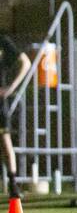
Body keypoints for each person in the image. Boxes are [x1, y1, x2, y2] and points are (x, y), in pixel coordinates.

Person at [0, 33, 32, 198]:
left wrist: (11, 87)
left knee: (5, 141)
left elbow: (25, 62)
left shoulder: (4, 41)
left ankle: (13, 184)